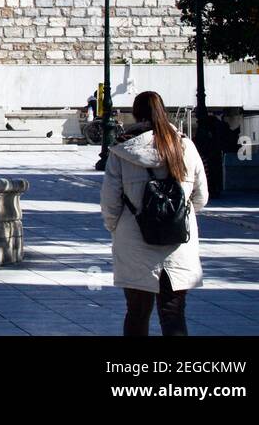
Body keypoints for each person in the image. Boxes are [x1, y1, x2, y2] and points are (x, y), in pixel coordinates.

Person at [101, 90, 209, 336]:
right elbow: (201, 196)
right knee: (173, 313)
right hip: (178, 241)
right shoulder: (185, 146)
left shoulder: (121, 151)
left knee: (137, 313)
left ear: (136, 114)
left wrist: (117, 229)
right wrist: (179, 216)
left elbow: (109, 204)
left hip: (134, 240)